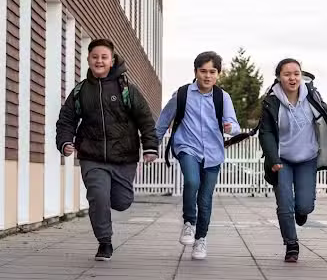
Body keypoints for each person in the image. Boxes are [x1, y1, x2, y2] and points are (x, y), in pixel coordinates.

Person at [55, 39, 158, 261]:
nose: (99, 61)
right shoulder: (81, 91)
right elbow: (66, 120)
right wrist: (65, 142)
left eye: (104, 57)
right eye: (95, 57)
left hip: (124, 157)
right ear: (89, 59)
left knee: (122, 202)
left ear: (112, 60)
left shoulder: (126, 89)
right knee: (98, 196)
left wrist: (150, 146)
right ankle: (105, 242)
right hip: (91, 156)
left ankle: (114, 195)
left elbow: (145, 119)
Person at [258, 58, 327, 263]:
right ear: (279, 77)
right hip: (281, 160)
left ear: (301, 75)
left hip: (307, 158)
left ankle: (302, 213)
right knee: (284, 204)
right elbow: (265, 133)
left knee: (304, 206)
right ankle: (291, 245)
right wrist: (273, 159)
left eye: (296, 73)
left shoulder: (312, 97)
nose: (292, 78)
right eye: (287, 74)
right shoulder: (271, 102)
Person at [155, 51, 240, 260]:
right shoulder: (182, 94)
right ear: (195, 72)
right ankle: (189, 223)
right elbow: (163, 121)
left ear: (218, 74)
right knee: (192, 181)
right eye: (203, 71)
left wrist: (230, 128)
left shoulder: (223, 97)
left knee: (205, 198)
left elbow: (234, 126)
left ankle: (201, 239)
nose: (207, 76)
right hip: (187, 147)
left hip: (213, 153)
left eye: (212, 71)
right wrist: (150, 145)